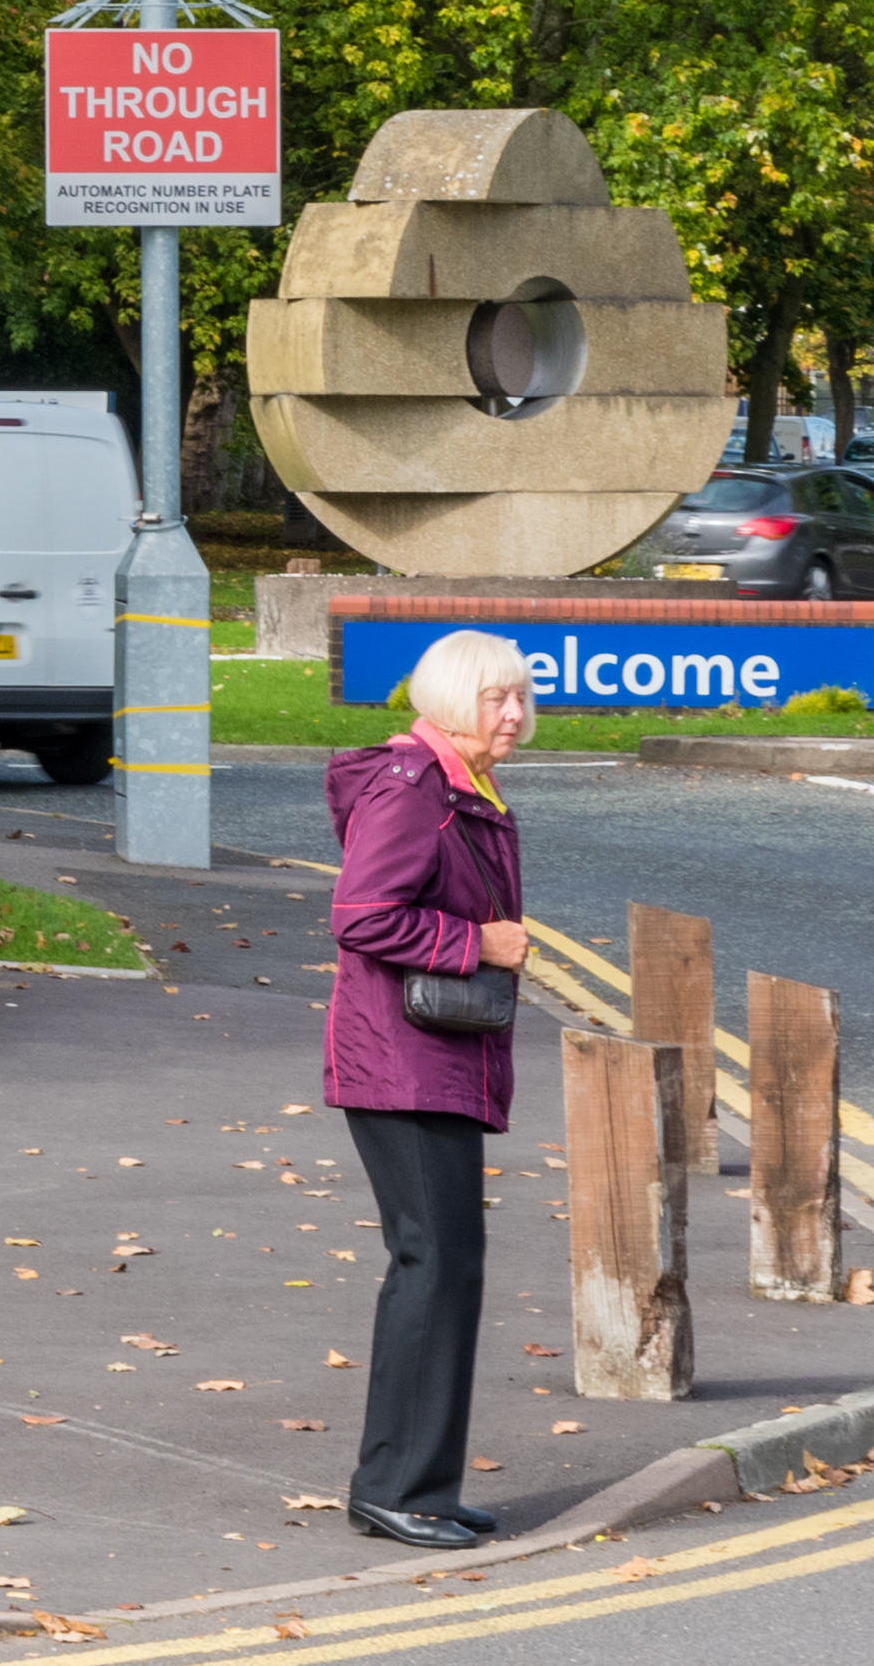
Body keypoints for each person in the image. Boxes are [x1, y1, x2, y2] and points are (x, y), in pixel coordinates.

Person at [325, 627, 535, 1551]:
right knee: (432, 1264)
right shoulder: (415, 787)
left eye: (522, 696)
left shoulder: (459, 786)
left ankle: (422, 1487)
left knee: (448, 1267)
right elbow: (363, 914)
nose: (517, 714)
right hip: (401, 1062)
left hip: (431, 1058)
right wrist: (475, 945)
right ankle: (396, 1488)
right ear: (453, 700)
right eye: (498, 699)